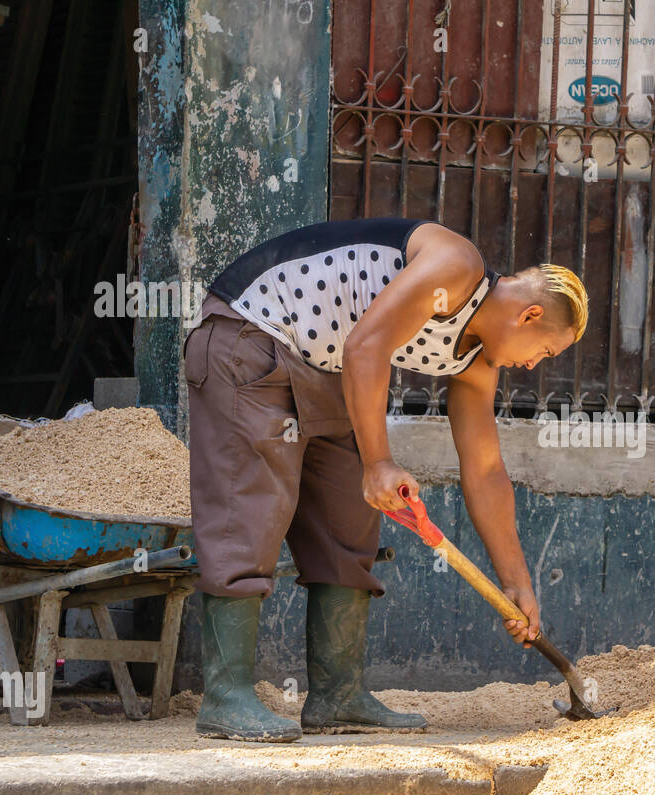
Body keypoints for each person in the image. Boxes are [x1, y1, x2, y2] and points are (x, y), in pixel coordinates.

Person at [183, 217, 588, 742]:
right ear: (530, 314)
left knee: (348, 522)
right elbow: (367, 346)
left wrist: (516, 582)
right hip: (251, 334)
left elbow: (485, 469)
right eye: (546, 351)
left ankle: (336, 695)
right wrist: (379, 462)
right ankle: (227, 697)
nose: (535, 365)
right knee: (249, 512)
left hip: (325, 366)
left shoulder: (475, 361)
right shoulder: (457, 266)